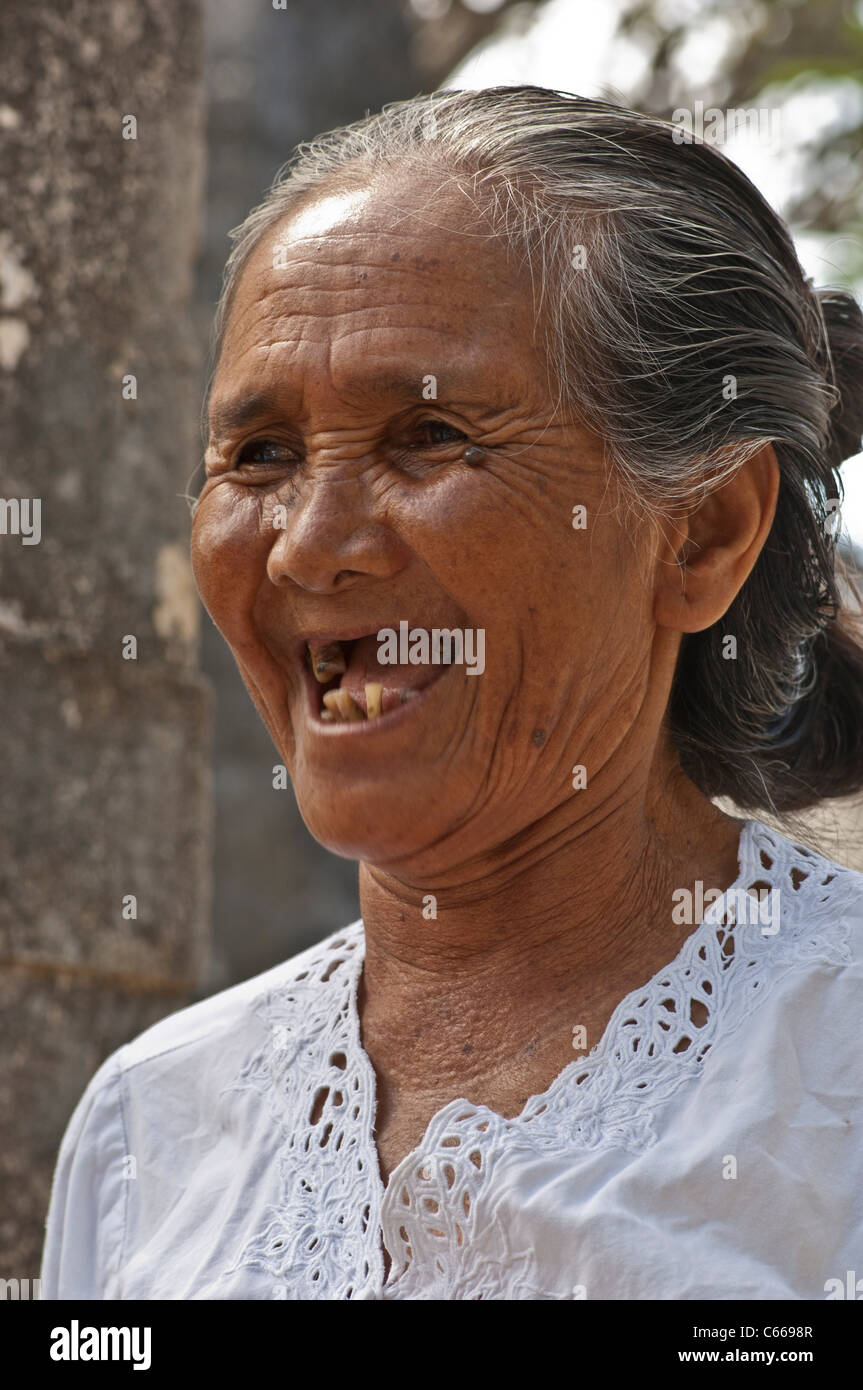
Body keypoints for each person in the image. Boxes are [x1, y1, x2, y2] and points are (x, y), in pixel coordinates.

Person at [42, 87, 863, 1300]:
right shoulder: (151, 1127)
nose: (307, 546)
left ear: (700, 534)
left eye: (428, 436)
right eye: (258, 455)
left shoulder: (828, 1073)